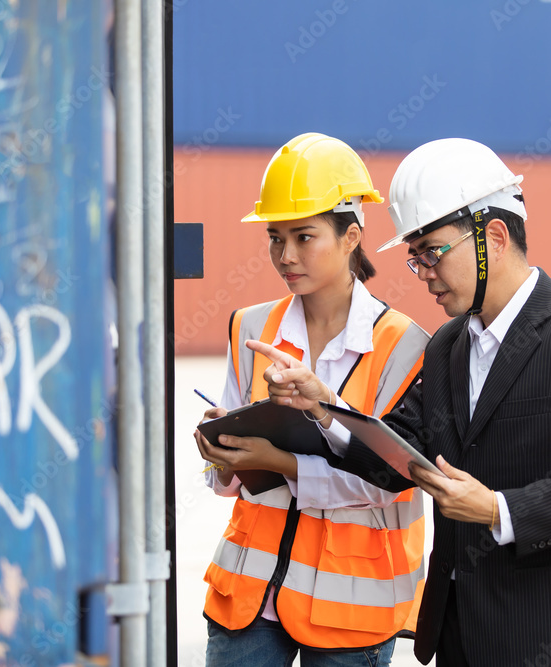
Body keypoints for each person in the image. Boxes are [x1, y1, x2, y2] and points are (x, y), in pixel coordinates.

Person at [249, 138, 551, 666]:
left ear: (496, 236)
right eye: (414, 259)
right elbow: (398, 457)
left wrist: (499, 510)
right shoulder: (445, 347)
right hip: (460, 634)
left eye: (432, 253)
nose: (424, 274)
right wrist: (325, 407)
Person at [194, 132, 430, 667]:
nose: (285, 255)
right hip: (250, 596)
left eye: (304, 236)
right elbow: (225, 486)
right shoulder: (251, 327)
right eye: (275, 238)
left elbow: (392, 482)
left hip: (352, 603)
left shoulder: (405, 345)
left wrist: (281, 462)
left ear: (352, 237)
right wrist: (220, 451)